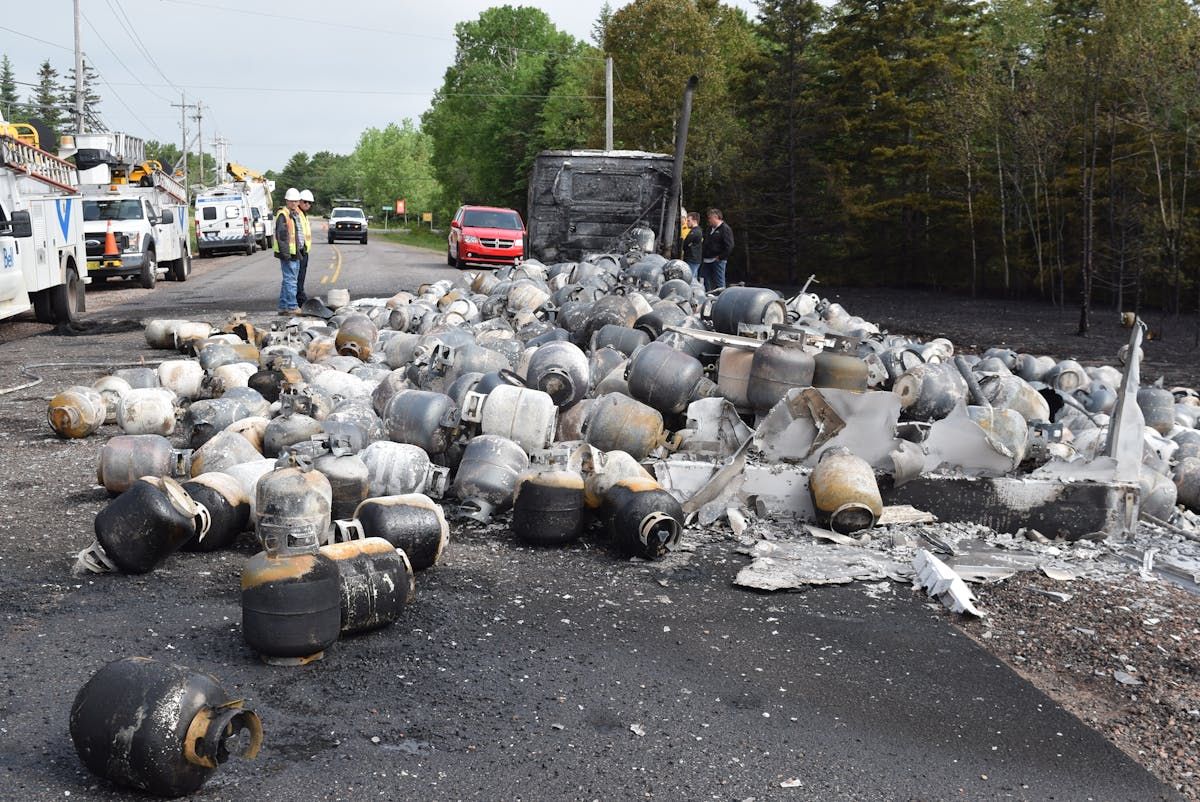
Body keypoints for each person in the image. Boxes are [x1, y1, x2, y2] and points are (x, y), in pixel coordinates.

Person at [273, 188, 303, 314]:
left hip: (295, 253)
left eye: (296, 201)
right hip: (288, 254)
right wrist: (286, 254)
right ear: (287, 201)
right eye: (292, 201)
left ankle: (283, 306)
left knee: (288, 280)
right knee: (291, 281)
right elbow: (282, 237)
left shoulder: (294, 214)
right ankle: (292, 306)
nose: (294, 204)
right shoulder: (283, 215)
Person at [699, 208, 733, 291]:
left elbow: (729, 246)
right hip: (706, 259)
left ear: (716, 217)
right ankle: (707, 295)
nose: (708, 220)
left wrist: (721, 257)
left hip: (718, 260)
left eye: (710, 218)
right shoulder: (709, 229)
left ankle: (721, 298)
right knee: (704, 279)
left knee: (719, 281)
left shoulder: (725, 229)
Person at [296, 189, 315, 306]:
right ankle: (299, 299)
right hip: (299, 250)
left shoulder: (303, 214)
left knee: (301, 276)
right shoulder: (297, 213)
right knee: (297, 277)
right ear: (299, 201)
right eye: (305, 202)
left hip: (304, 250)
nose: (307, 204)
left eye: (309, 202)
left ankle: (300, 297)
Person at [681, 211, 703, 280]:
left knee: (690, 279)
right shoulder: (695, 231)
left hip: (692, 259)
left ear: (694, 221)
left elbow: (686, 243)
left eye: (688, 221)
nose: (686, 222)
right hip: (693, 259)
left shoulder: (695, 232)